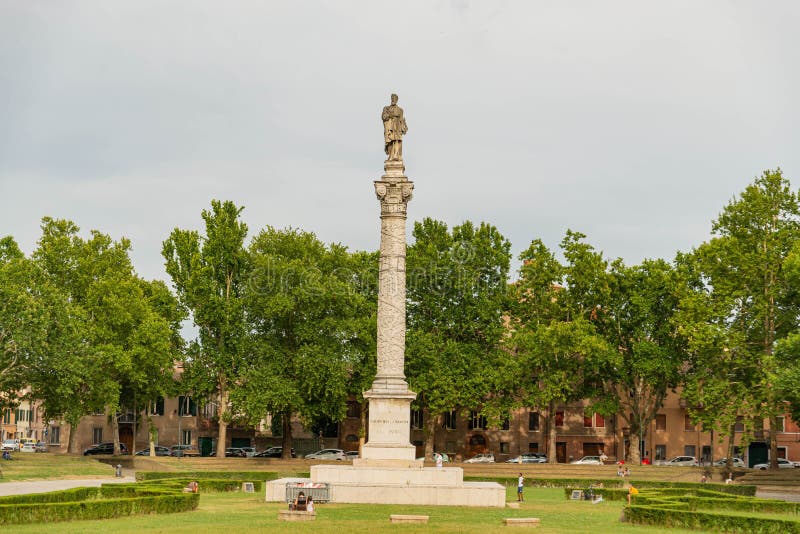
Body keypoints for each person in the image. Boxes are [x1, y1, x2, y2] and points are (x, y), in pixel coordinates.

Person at [381, 93, 408, 161]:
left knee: (396, 140)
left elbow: (401, 119)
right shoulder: (386, 108)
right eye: (392, 98)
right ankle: (390, 156)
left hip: (397, 126)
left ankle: (396, 155)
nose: (393, 100)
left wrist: (404, 127)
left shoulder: (400, 110)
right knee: (390, 141)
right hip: (390, 126)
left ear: (396, 100)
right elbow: (383, 117)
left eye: (394, 99)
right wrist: (389, 116)